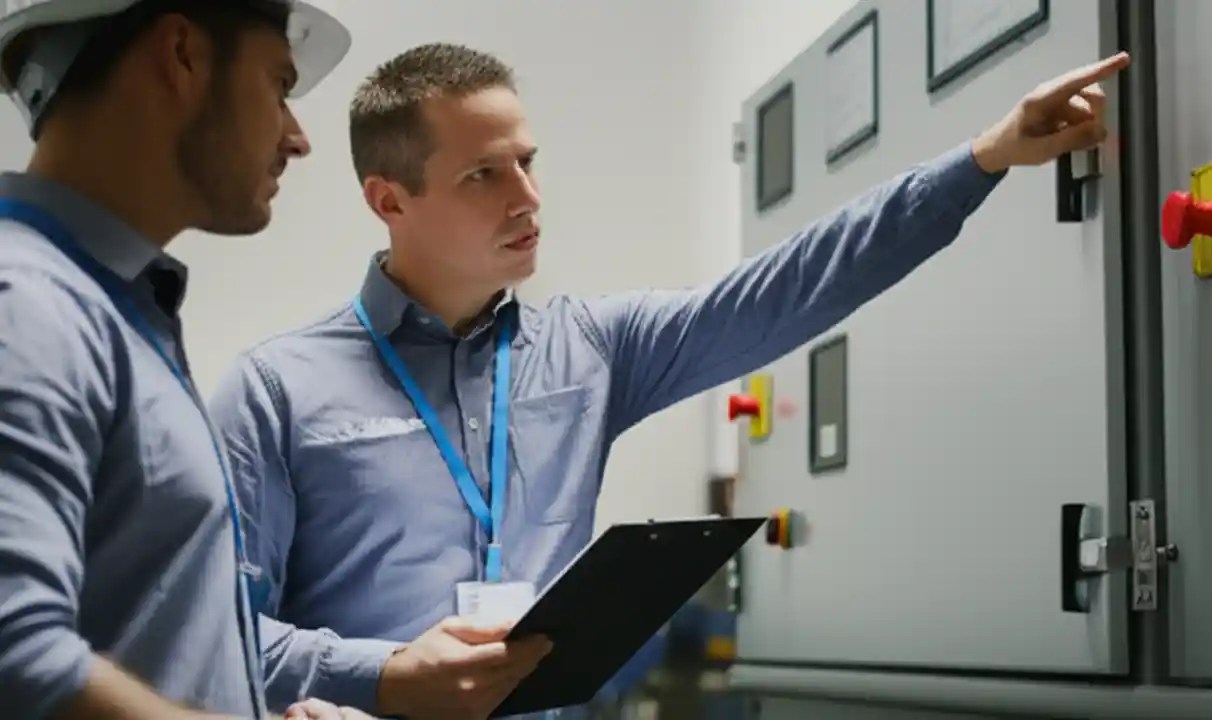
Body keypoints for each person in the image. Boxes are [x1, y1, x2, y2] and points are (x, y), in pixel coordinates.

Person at [208, 41, 1131, 718]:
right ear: (389, 200)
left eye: (528, 162)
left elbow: (790, 285)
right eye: (485, 174)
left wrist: (983, 160)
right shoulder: (276, 391)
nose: (528, 198)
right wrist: (385, 673)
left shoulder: (589, 350)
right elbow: (221, 635)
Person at [0, 1, 381, 718]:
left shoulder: (106, 307)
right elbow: (16, 659)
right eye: (278, 84)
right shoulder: (26, 307)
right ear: (182, 53)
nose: (296, 139)